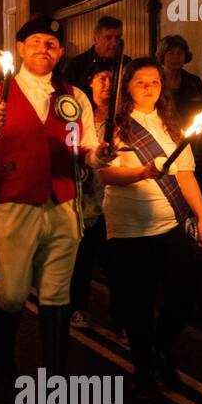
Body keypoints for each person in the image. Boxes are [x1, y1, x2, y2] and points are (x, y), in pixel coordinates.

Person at [0, 17, 115, 381]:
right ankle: (1, 363)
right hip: (14, 204)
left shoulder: (75, 97)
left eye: (50, 43)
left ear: (60, 52)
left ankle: (55, 385)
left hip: (63, 204)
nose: (43, 49)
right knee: (14, 292)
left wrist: (100, 156)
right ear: (21, 48)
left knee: (56, 294)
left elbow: (87, 149)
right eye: (35, 41)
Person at [99, 58, 202, 395]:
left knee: (184, 293)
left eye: (155, 82)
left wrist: (201, 215)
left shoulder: (170, 124)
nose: (149, 88)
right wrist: (141, 173)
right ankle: (145, 367)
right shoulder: (114, 126)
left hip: (169, 225)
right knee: (138, 302)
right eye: (140, 82)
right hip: (129, 228)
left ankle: (161, 347)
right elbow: (105, 174)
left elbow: (186, 173)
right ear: (128, 87)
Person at [68, 67, 114, 330]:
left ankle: (121, 318)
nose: (107, 84)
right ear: (91, 82)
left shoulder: (121, 118)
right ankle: (78, 307)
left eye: (110, 79)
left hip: (113, 199)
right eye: (101, 79)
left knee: (115, 263)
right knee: (82, 259)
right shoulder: (79, 115)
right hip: (85, 198)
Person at [156, 34, 202, 209]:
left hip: (192, 144)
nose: (176, 57)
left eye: (180, 53)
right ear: (162, 55)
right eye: (171, 53)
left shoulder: (193, 82)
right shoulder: (156, 81)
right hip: (164, 144)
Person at [64, 15, 131, 96]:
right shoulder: (76, 65)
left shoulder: (127, 63)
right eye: (108, 38)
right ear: (95, 39)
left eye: (117, 38)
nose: (114, 43)